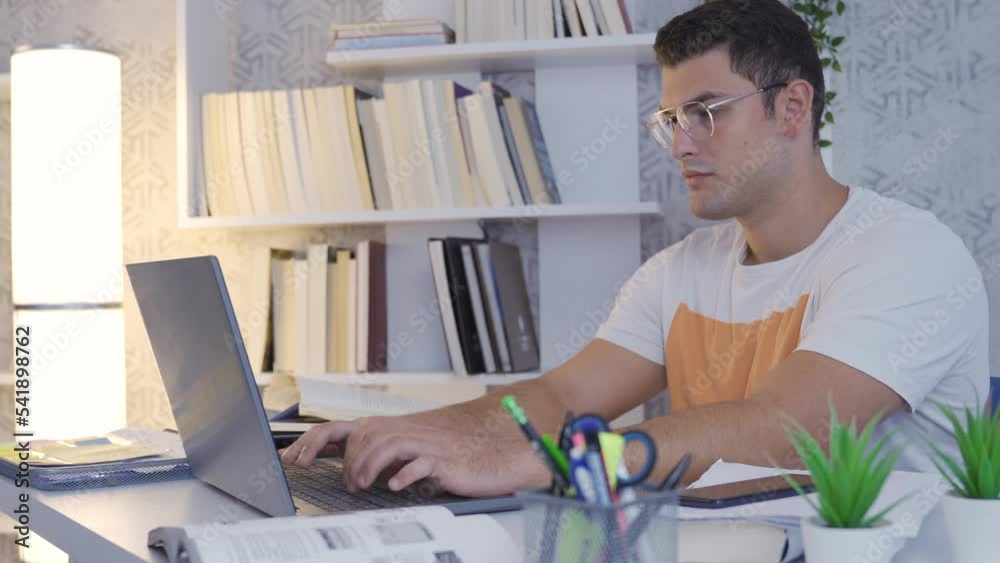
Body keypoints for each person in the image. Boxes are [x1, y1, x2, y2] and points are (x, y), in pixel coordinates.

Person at [280, 0, 989, 497]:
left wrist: (558, 462)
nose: (681, 143)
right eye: (673, 119)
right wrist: (405, 432)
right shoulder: (681, 271)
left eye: (706, 114)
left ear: (793, 108)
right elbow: (558, 396)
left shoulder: (906, 255)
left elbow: (785, 433)